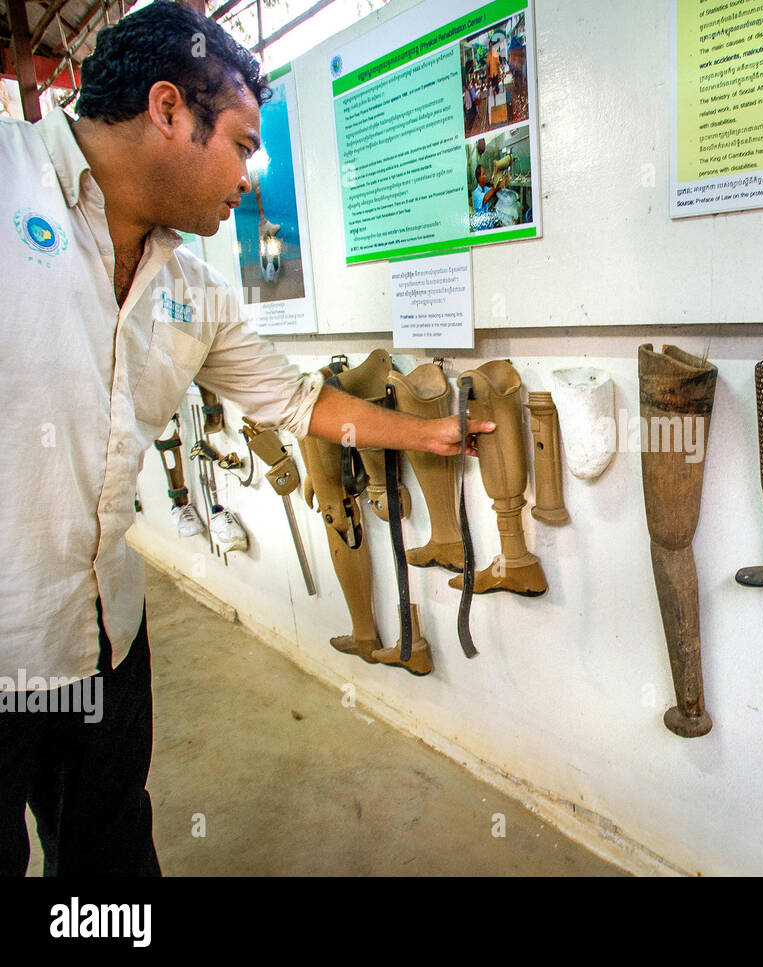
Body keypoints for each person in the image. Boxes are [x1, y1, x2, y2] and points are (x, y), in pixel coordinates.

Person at [0, 1, 493, 876]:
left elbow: (299, 403)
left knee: (109, 853)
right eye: (239, 141)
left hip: (102, 637)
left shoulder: (194, 291)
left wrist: (431, 432)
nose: (249, 173)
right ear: (167, 111)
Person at [471, 163, 501, 230]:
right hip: (481, 227)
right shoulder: (475, 194)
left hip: (488, 225)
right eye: (483, 174)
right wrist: (496, 186)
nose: (485, 176)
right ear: (479, 177)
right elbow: (485, 199)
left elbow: (492, 191)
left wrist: (500, 182)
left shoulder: (485, 188)